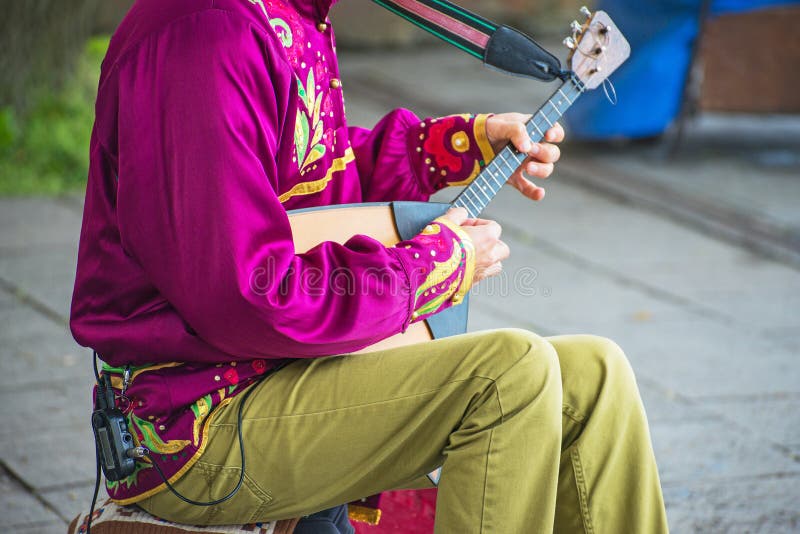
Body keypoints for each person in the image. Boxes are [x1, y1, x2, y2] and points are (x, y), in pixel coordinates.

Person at [70, 0, 669, 532]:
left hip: (276, 373)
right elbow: (249, 292)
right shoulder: (207, 34)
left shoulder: (286, 16)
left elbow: (304, 182)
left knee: (596, 374)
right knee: (509, 373)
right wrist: (433, 266)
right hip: (194, 425)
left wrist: (454, 146)